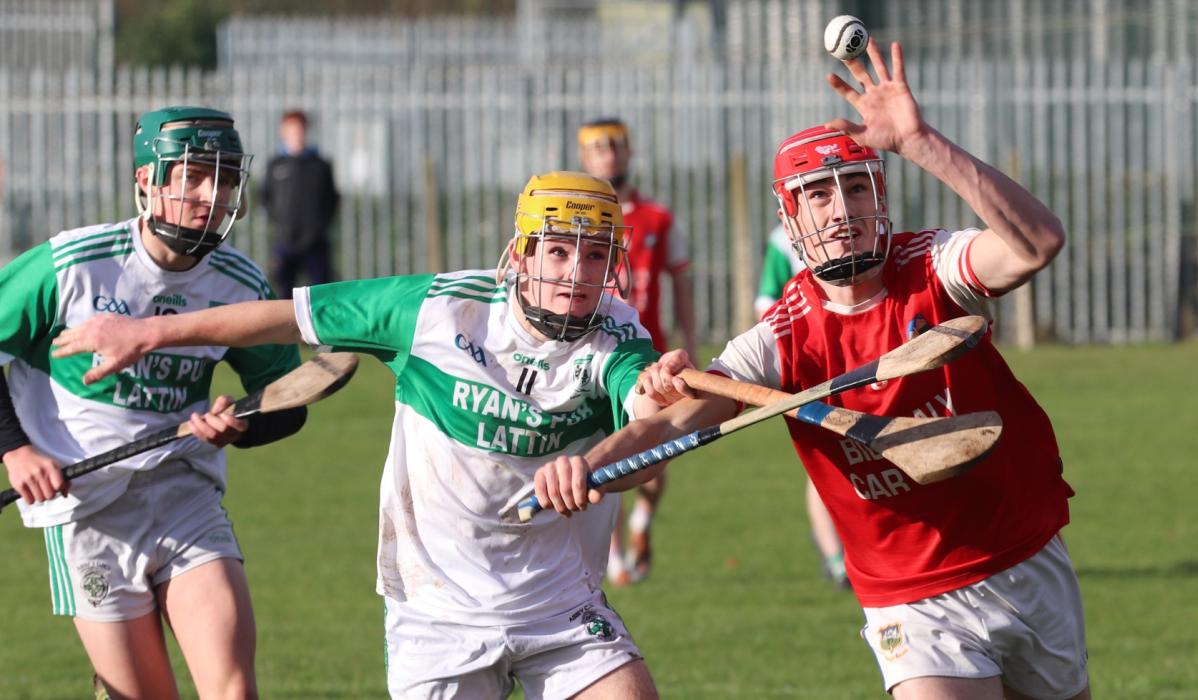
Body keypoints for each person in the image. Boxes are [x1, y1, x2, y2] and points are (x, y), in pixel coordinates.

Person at [534, 39, 1090, 700]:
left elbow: (1039, 244)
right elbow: (665, 435)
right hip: (908, 598)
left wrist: (920, 143)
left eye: (856, 187)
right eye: (818, 194)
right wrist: (597, 459)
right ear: (789, 216)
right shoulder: (779, 338)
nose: (842, 208)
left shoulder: (933, 265)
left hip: (1024, 553)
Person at [52, 171, 678, 699]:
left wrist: (620, 436)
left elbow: (648, 429)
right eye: (559, 251)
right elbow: (279, 319)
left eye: (595, 254)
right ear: (521, 255)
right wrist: (148, 333)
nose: (576, 273)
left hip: (560, 608)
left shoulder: (618, 336)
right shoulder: (433, 311)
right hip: (437, 613)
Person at [0, 105, 307, 699]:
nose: (210, 194)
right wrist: (15, 451)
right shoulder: (72, 265)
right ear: (147, 180)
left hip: (183, 495)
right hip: (84, 512)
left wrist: (238, 427)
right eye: (191, 176)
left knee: (233, 691)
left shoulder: (240, 286)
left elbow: (289, 402)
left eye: (222, 179)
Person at [578, 118, 695, 586]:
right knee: (602, 452)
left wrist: (690, 334)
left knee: (656, 456)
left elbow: (680, 281)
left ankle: (642, 525)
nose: (609, 156)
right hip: (592, 355)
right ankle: (615, 556)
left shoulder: (659, 218)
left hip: (651, 355)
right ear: (585, 158)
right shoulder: (577, 217)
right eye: (598, 148)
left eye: (616, 146)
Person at [755, 224, 848, 588]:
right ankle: (836, 559)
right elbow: (765, 302)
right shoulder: (783, 239)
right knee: (824, 464)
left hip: (868, 360)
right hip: (817, 369)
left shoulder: (865, 222)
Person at [260, 109, 340, 298]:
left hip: (316, 242)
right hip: (286, 241)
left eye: (299, 129)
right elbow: (266, 198)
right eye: (291, 129)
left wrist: (318, 226)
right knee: (283, 294)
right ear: (283, 132)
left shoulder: (320, 165)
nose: (296, 133)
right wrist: (281, 224)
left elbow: (332, 199)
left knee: (323, 294)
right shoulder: (275, 165)